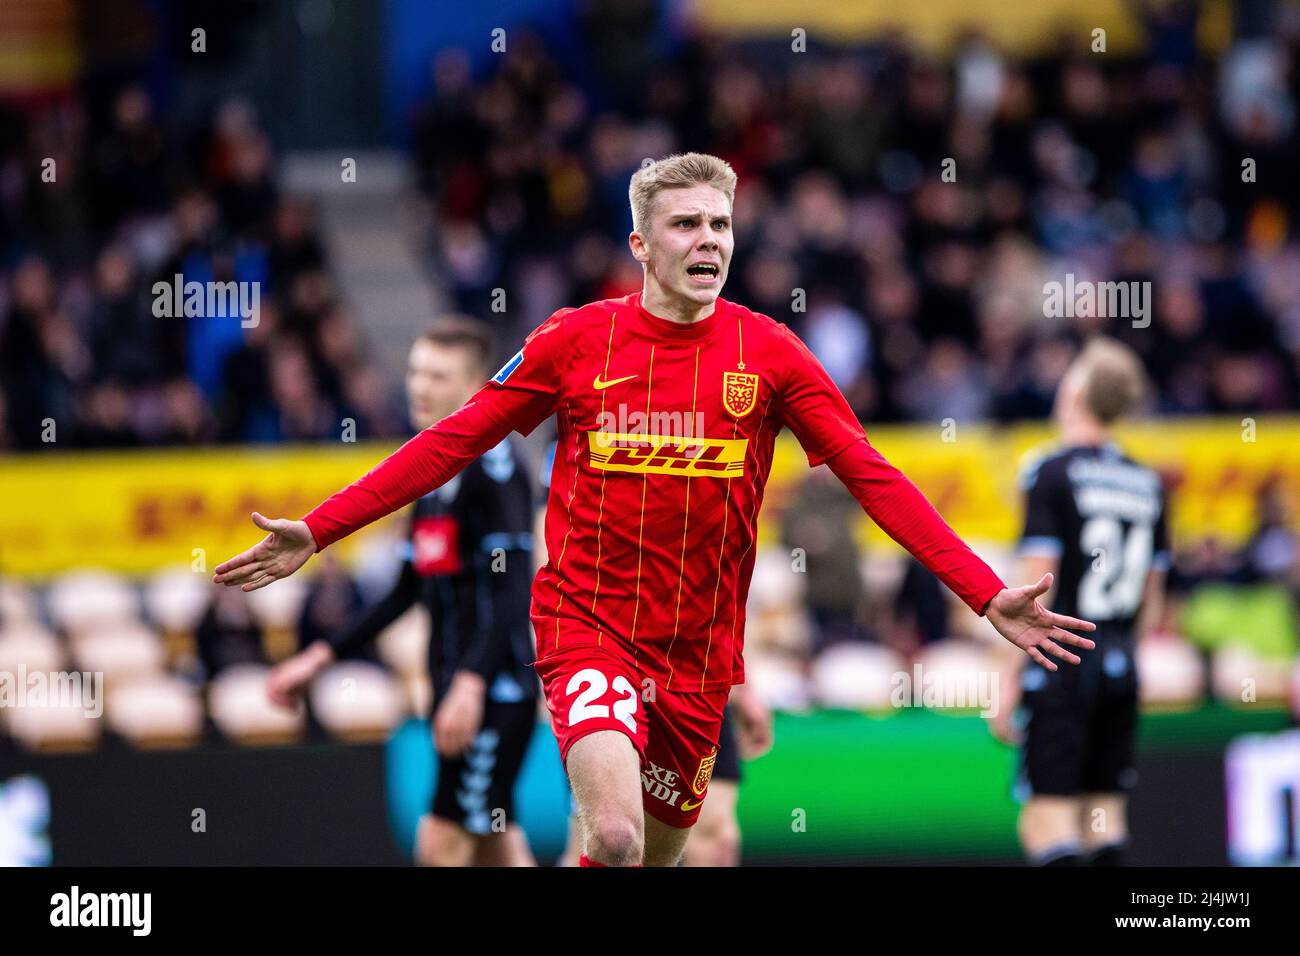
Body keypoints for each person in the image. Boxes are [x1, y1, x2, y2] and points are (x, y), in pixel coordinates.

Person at [215, 152, 1096, 867]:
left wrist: (982, 594)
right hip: (585, 623)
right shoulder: (574, 342)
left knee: (652, 859)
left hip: (698, 655)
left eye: (720, 224)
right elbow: (453, 440)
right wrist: (319, 528)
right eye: (686, 224)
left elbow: (872, 476)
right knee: (614, 833)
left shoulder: (771, 355)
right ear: (640, 244)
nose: (708, 240)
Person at [265, 317, 539, 866]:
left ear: (474, 387)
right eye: (415, 371)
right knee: (492, 842)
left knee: (441, 841)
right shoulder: (432, 476)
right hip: (454, 688)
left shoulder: (497, 467)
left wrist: (469, 683)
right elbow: (404, 591)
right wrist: (318, 658)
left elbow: (513, 592)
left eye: (437, 375)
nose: (418, 386)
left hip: (493, 693)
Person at [988, 338, 1169, 866]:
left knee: (1047, 823)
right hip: (1119, 661)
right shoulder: (1147, 481)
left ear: (1076, 388)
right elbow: (1151, 595)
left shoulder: (1050, 470)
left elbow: (1030, 591)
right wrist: (1126, 657)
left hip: (1061, 662)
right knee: (1105, 819)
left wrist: (1006, 680)